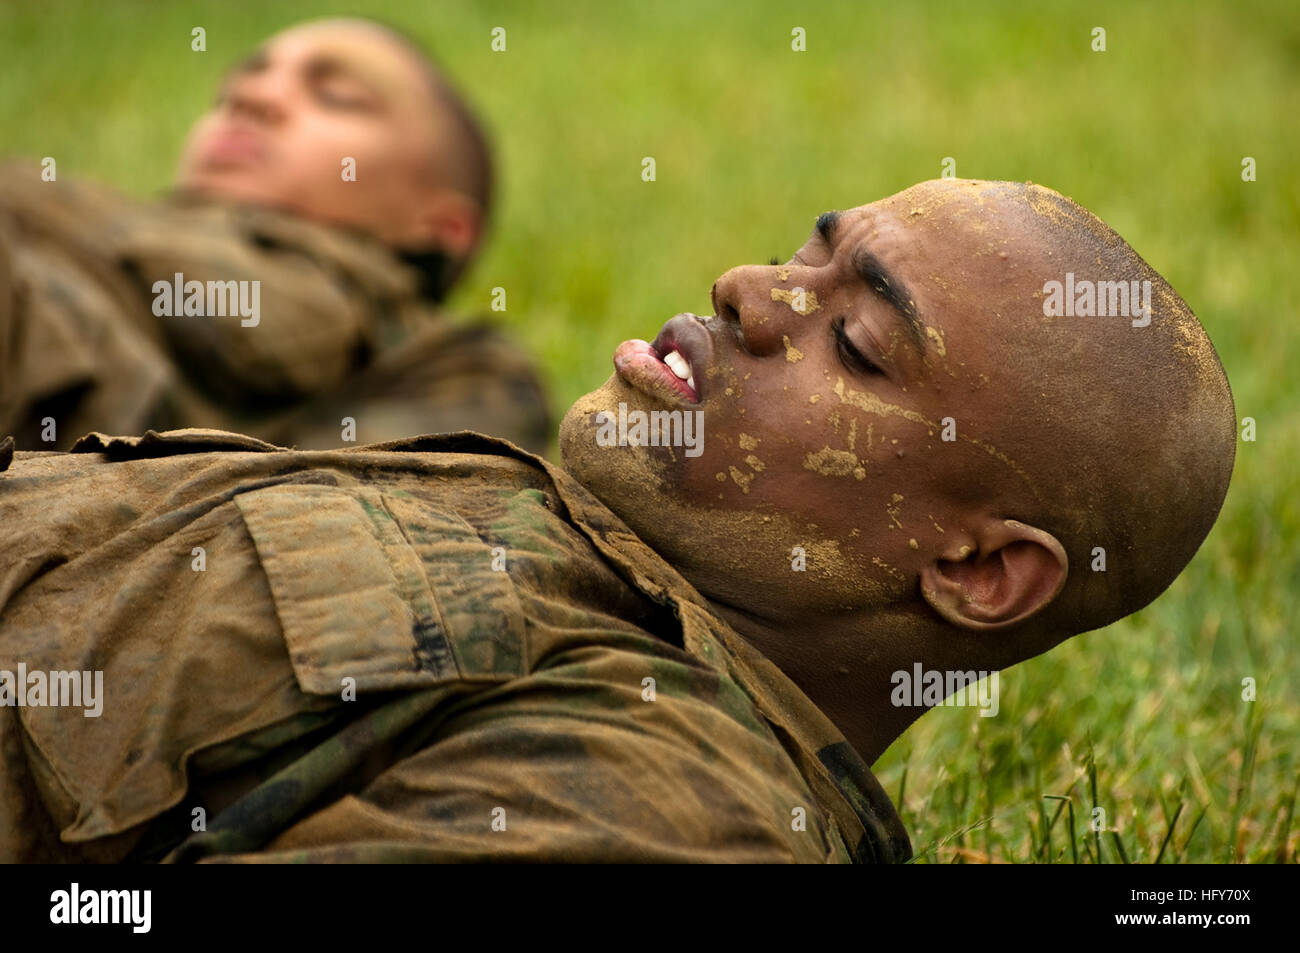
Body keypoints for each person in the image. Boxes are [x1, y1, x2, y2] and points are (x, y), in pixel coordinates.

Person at [0, 179, 1235, 863]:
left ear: (977, 569)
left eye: (855, 341)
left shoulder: (673, 801)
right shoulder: (577, 536)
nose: (748, 292)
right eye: (810, 250)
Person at [0, 18, 550, 453]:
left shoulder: (441, 367)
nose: (252, 97)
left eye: (337, 95)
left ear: (439, 225)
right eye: (233, 88)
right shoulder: (93, 211)